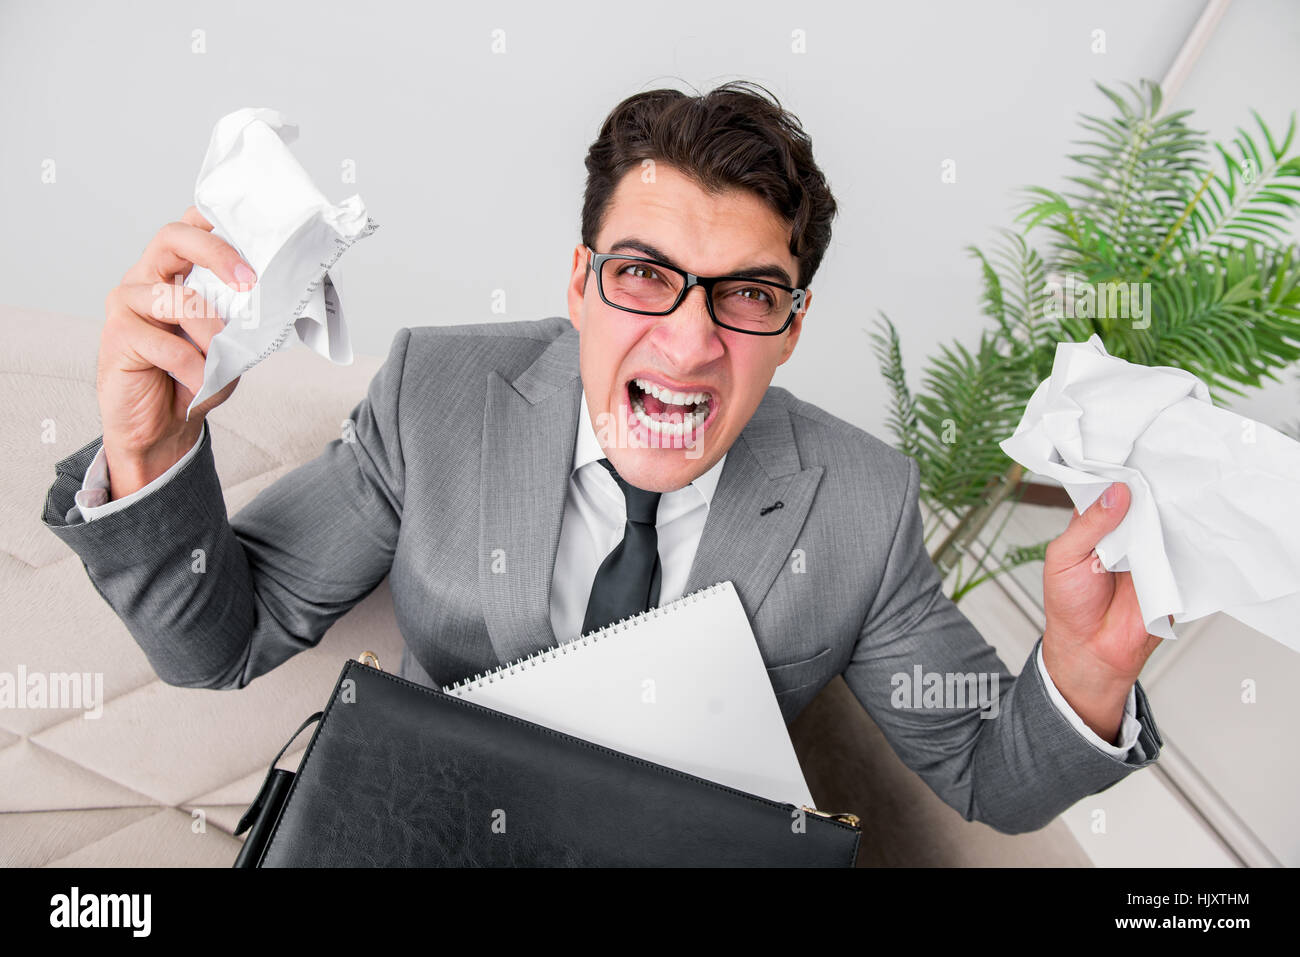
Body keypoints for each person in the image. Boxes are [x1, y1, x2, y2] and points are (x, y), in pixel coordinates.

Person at [40, 80, 1162, 835]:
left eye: (748, 295)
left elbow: (990, 774)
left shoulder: (859, 503)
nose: (688, 341)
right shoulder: (436, 395)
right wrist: (151, 445)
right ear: (579, 284)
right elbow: (218, 643)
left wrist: (1086, 674)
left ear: (793, 322)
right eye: (642, 275)